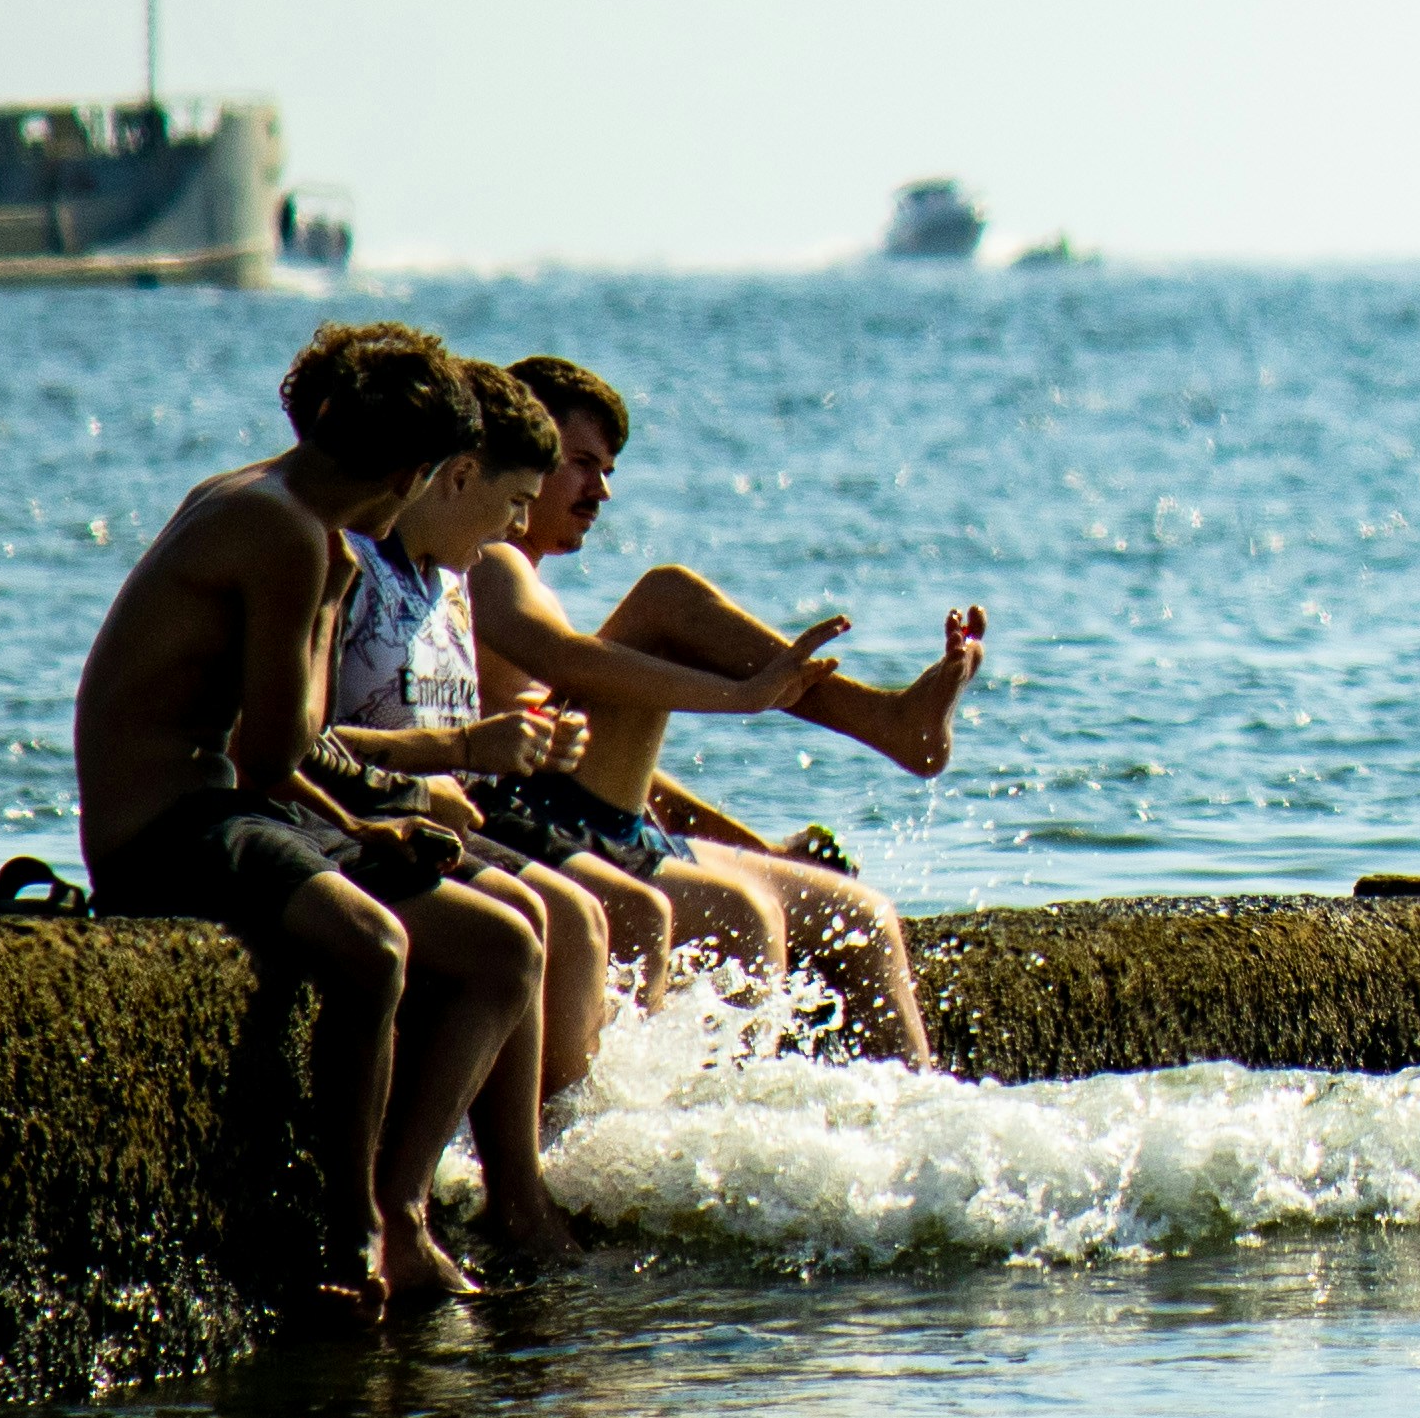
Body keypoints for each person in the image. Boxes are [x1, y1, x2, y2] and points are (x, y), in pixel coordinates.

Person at [70, 324, 539, 1318]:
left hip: (233, 809)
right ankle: (354, 1229)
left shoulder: (302, 528)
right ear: (417, 471)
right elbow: (273, 756)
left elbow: (300, 744)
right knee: (372, 946)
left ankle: (407, 1211)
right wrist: (372, 829)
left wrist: (391, 808)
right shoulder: (278, 529)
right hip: (165, 829)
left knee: (504, 945)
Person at [457, 353, 967, 1066]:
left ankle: (913, 1119)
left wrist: (756, 844)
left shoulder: (524, 574)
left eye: (608, 470)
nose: (600, 490)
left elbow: (625, 773)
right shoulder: (489, 560)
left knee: (864, 919)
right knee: (666, 601)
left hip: (602, 822)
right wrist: (743, 697)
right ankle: (884, 721)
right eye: (580, 463)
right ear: (521, 455)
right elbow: (565, 662)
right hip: (532, 826)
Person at [321, 363, 667, 1257]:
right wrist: (467, 751)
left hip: (440, 825)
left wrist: (505, 743)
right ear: (457, 476)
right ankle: (475, 1195)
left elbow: (449, 732)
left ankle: (523, 1181)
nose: (521, 529)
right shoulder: (354, 568)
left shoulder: (445, 583)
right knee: (535, 923)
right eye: (513, 504)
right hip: (356, 825)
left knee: (569, 913)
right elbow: (306, 744)